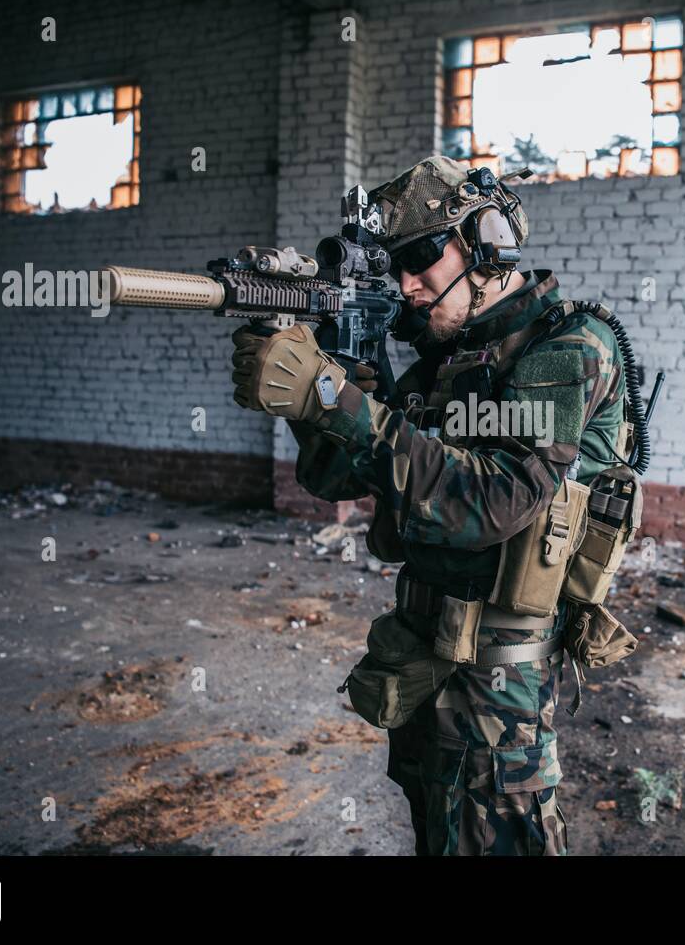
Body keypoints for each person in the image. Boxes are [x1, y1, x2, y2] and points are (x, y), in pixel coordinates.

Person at [231, 155, 635, 855]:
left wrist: (334, 397)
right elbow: (335, 475)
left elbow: (492, 501)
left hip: (496, 679)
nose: (408, 286)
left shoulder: (568, 349)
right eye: (397, 266)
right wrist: (307, 379)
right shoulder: (443, 363)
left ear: (488, 243)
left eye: (421, 258)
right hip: (422, 655)